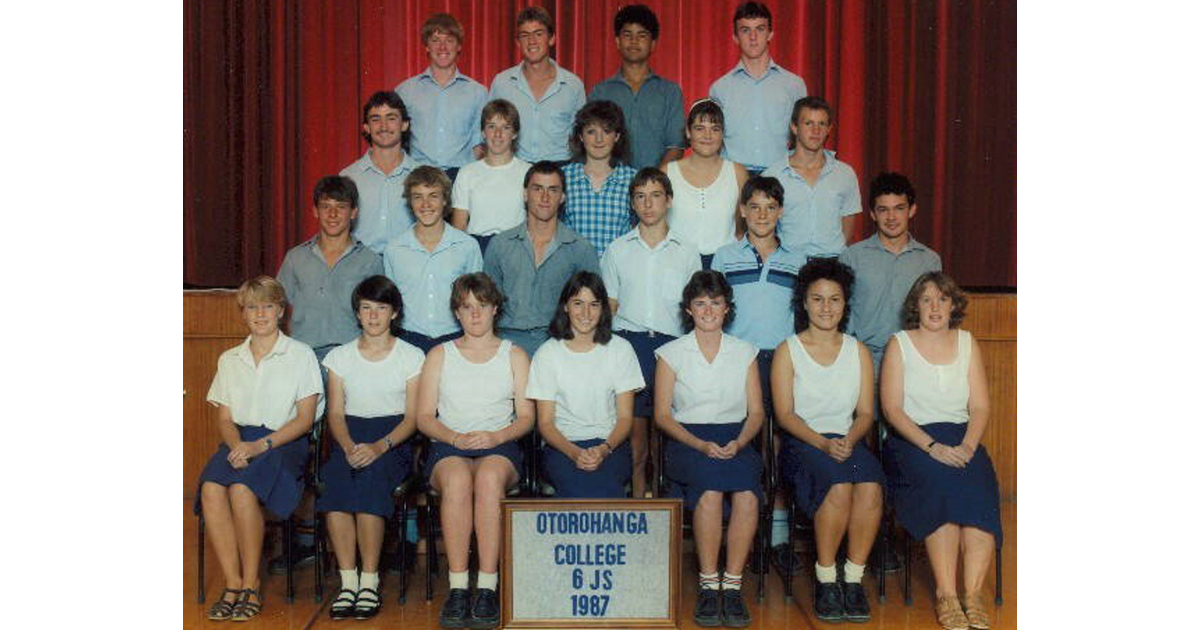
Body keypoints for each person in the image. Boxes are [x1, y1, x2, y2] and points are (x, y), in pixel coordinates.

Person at [273, 175, 384, 574]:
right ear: (315, 211)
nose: (333, 214)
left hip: (352, 364)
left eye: (341, 207)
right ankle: (303, 538)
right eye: (326, 207)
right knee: (298, 448)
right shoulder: (296, 258)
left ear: (354, 213)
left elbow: (378, 314)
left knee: (344, 446)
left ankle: (352, 544)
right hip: (303, 363)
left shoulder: (370, 260)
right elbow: (275, 310)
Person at [196, 277, 323, 621]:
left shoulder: (300, 355)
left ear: (281, 311)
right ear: (243, 313)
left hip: (283, 442)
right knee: (210, 488)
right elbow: (225, 419)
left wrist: (260, 445)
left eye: (268, 305)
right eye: (252, 307)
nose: (260, 314)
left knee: (241, 489)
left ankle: (251, 584)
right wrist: (238, 445)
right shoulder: (229, 359)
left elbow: (305, 419)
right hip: (239, 440)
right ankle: (233, 584)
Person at [880, 272, 1000, 630]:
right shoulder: (899, 344)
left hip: (962, 439)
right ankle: (946, 595)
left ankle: (972, 596)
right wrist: (931, 447)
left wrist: (968, 446)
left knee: (978, 492)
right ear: (916, 306)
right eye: (927, 300)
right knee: (941, 491)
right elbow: (892, 410)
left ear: (953, 305)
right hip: (913, 441)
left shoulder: (967, 342)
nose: (935, 307)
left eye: (942, 299)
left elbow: (980, 406)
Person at [416, 272, 534, 629]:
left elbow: (527, 417)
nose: (475, 314)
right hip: (449, 443)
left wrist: (496, 437)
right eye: (467, 307)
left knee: (487, 479)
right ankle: (457, 588)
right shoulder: (439, 354)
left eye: (482, 305)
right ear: (457, 312)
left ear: (495, 308)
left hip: (500, 444)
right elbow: (424, 417)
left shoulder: (515, 355)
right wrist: (454, 438)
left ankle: (486, 586)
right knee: (456, 480)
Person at [770, 258, 883, 623]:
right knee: (838, 486)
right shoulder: (788, 350)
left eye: (834, 299)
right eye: (817, 299)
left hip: (847, 440)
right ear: (804, 303)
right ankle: (826, 579)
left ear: (845, 303)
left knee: (870, 486)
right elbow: (785, 415)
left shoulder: (858, 350)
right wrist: (822, 443)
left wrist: (848, 439)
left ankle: (853, 579)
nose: (826, 307)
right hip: (803, 444)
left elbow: (865, 412)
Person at [654, 270, 763, 628]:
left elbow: (756, 413)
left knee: (747, 495)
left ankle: (731, 586)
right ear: (688, 309)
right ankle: (707, 583)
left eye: (715, 303)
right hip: (688, 440)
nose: (708, 310)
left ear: (727, 308)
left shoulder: (745, 352)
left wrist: (740, 442)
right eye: (700, 303)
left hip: (735, 437)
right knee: (711, 491)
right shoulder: (670, 353)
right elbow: (662, 416)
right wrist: (700, 444)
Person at [709, 176, 806, 570]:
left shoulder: (798, 261)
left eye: (770, 207)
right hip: (738, 363)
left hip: (781, 362)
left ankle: (777, 537)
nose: (762, 215)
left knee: (779, 446)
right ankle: (742, 536)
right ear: (743, 211)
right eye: (754, 207)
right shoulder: (724, 257)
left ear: (780, 212)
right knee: (742, 443)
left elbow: (802, 322)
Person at [317, 275, 424, 620]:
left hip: (392, 440)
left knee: (370, 485)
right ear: (357, 313)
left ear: (394, 313)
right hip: (349, 437)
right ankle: (348, 582)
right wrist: (349, 446)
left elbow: (413, 417)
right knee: (336, 484)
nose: (373, 316)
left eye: (381, 308)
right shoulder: (340, 357)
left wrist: (379, 447)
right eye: (366, 308)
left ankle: (369, 581)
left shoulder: (411, 356)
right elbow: (335, 413)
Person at [602, 167, 702, 498]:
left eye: (656, 195)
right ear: (632, 203)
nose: (648, 204)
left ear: (669, 200)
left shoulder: (687, 251)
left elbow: (695, 308)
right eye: (640, 197)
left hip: (672, 348)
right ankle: (637, 504)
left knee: (668, 437)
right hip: (629, 346)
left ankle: (666, 507)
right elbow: (609, 307)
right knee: (635, 441)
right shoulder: (617, 249)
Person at [527, 271, 644, 498]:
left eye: (594, 305)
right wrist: (574, 453)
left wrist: (604, 449)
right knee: (579, 487)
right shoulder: (547, 353)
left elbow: (625, 418)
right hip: (562, 446)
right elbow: (546, 423)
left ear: (603, 309)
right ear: (566, 307)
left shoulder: (621, 349)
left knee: (604, 486)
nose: (586, 313)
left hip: (610, 445)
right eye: (578, 303)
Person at [483, 161, 600, 356]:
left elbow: (594, 306)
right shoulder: (500, 245)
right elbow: (486, 304)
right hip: (506, 343)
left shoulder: (580, 248)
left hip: (560, 344)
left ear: (562, 197)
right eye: (537, 189)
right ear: (525, 194)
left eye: (553, 190)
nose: (545, 197)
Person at [840, 172, 942, 370]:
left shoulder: (929, 260)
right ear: (872, 214)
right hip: (863, 360)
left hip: (913, 360)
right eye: (883, 210)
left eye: (899, 208)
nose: (891, 217)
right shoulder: (852, 257)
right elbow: (843, 312)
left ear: (912, 210)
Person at [383, 165, 483, 353]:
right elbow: (389, 305)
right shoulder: (394, 249)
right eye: (418, 197)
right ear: (409, 202)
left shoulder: (467, 246)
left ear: (445, 200)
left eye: (433, 196)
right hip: (407, 341)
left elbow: (476, 301)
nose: (425, 204)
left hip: (455, 339)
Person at [708, 1, 806, 174]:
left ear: (770, 34)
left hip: (780, 177)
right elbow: (712, 142)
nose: (753, 37)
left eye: (760, 29)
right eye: (745, 30)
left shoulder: (794, 85)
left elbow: (803, 138)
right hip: (734, 179)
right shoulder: (719, 89)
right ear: (735, 37)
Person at [763, 96, 862, 258]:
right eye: (808, 123)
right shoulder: (773, 175)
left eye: (821, 124)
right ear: (794, 127)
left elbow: (848, 228)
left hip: (832, 263)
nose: (816, 130)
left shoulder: (845, 174)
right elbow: (764, 226)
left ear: (829, 129)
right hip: (788, 264)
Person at [588, 4, 685, 170]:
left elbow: (676, 146)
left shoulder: (670, 92)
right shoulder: (600, 92)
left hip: (657, 182)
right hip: (610, 182)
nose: (634, 41)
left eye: (642, 35)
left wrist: (654, 179)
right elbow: (591, 143)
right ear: (617, 41)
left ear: (653, 44)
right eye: (627, 34)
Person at [395, 13, 488, 180]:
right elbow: (397, 142)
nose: (442, 47)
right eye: (435, 40)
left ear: (459, 46)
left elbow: (479, 146)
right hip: (418, 177)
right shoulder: (405, 91)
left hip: (461, 178)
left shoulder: (478, 92)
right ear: (426, 46)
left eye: (449, 40)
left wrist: (465, 179)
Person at [489, 5, 586, 164]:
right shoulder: (502, 83)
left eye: (538, 34)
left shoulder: (573, 85)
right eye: (525, 35)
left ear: (552, 39)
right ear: (518, 42)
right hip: (514, 168)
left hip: (560, 169)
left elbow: (581, 139)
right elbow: (490, 132)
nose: (532, 41)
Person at [663, 99, 749, 268]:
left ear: (722, 134)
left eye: (715, 129)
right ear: (688, 132)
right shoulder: (667, 172)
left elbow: (741, 228)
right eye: (699, 128)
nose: (707, 136)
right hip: (676, 265)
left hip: (724, 267)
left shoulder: (738, 173)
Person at [340, 91, 424, 253]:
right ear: (366, 127)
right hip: (362, 263)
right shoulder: (348, 176)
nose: (384, 126)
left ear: (404, 124)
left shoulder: (421, 175)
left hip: (408, 261)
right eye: (376, 119)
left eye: (391, 118)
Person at [450, 99, 532, 254]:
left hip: (516, 250)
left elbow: (535, 224)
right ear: (483, 132)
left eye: (506, 127)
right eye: (491, 126)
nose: (498, 134)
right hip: (477, 248)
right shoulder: (467, 173)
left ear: (514, 133)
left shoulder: (529, 172)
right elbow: (459, 228)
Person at [562, 100, 637, 258]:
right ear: (581, 136)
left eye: (606, 131)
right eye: (591, 132)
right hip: (575, 269)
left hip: (618, 267)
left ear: (617, 136)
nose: (599, 139)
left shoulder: (632, 178)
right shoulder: (564, 177)